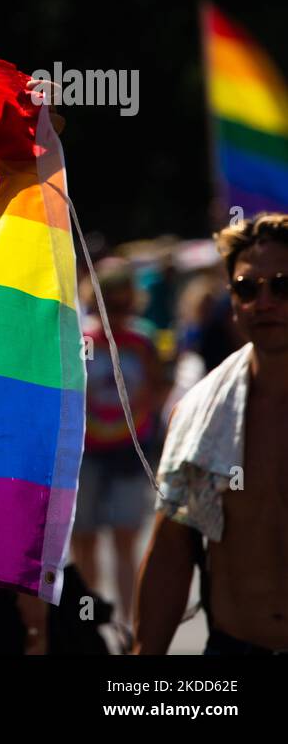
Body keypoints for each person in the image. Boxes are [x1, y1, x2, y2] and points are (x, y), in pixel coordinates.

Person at [135, 212, 288, 654]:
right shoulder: (199, 412)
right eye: (247, 288)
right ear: (231, 299)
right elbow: (172, 549)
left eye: (282, 285)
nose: (264, 301)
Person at [71, 257, 165, 619]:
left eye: (123, 298)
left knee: (126, 539)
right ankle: (91, 623)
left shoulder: (144, 339)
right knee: (85, 540)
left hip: (130, 451)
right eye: (109, 297)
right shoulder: (81, 338)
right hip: (87, 454)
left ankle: (129, 623)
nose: (116, 305)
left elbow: (157, 387)